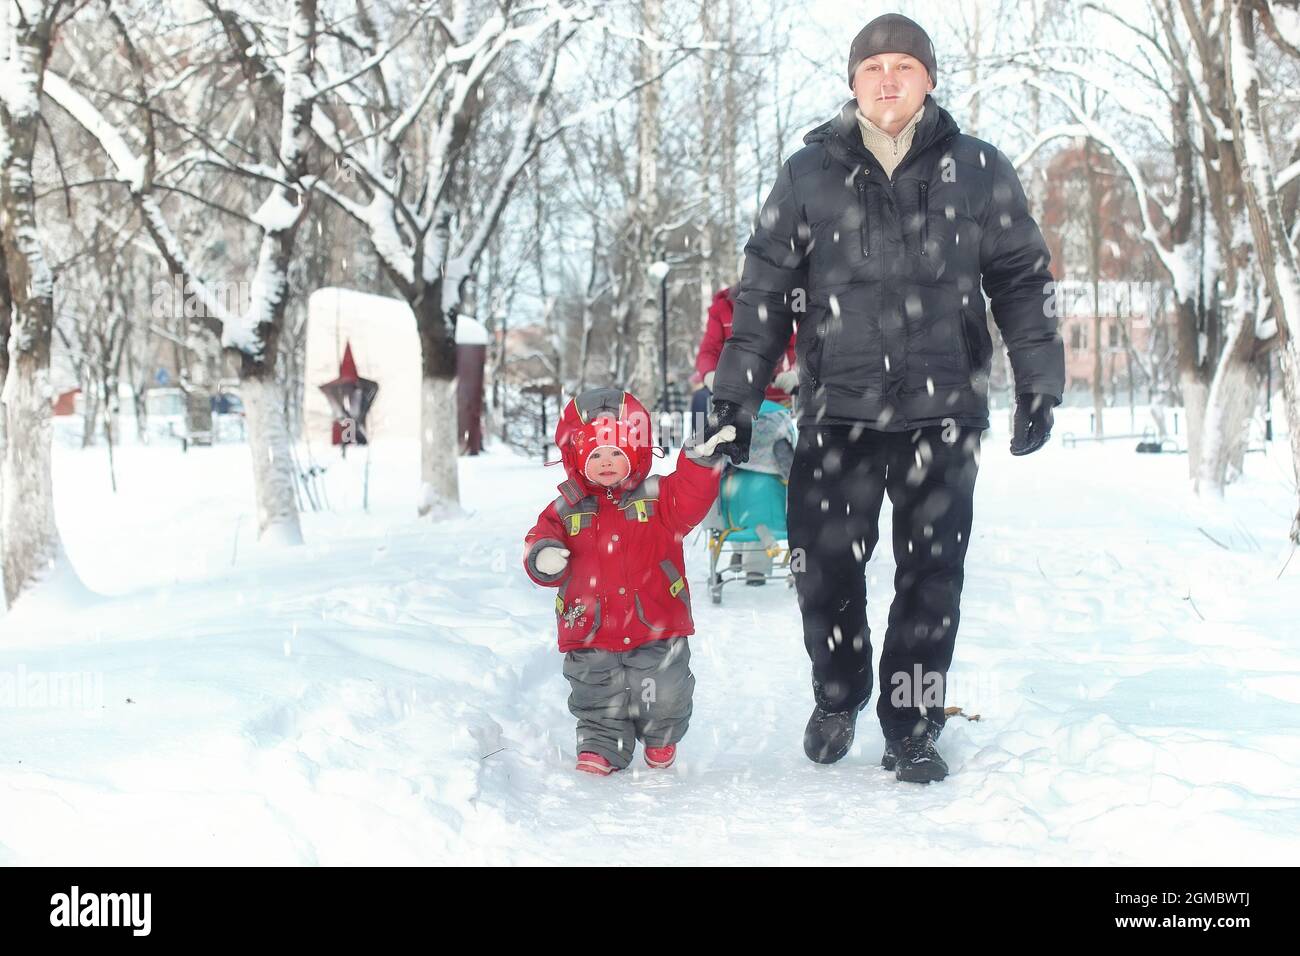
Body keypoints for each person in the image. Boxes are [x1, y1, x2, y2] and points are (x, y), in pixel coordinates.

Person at [703, 13, 1065, 783]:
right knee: (824, 568)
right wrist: (734, 397)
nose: (890, 79)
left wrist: (1039, 378)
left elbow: (1022, 281)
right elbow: (762, 293)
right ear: (854, 82)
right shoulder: (808, 174)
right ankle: (838, 695)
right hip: (839, 411)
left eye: (906, 65)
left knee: (933, 580)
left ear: (929, 78)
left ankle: (911, 722)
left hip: (944, 411)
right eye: (874, 67)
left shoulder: (980, 168)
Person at [522, 387, 734, 775]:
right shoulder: (564, 509)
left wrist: (698, 464)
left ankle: (661, 733)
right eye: (595, 454)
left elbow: (689, 497)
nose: (606, 462)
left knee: (662, 690)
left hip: (655, 620)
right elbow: (539, 537)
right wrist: (544, 555)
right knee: (596, 691)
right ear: (578, 459)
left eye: (615, 453)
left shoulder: (658, 497)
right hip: (589, 625)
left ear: (634, 455)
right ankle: (603, 743)